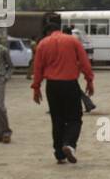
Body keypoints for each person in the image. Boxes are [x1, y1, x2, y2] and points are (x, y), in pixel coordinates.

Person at [32, 13, 94, 164]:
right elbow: (84, 62)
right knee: (74, 118)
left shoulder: (43, 44)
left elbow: (38, 67)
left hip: (52, 86)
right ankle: (69, 144)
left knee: (57, 119)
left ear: (47, 32)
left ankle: (59, 153)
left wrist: (36, 87)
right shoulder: (72, 41)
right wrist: (89, 80)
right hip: (70, 84)